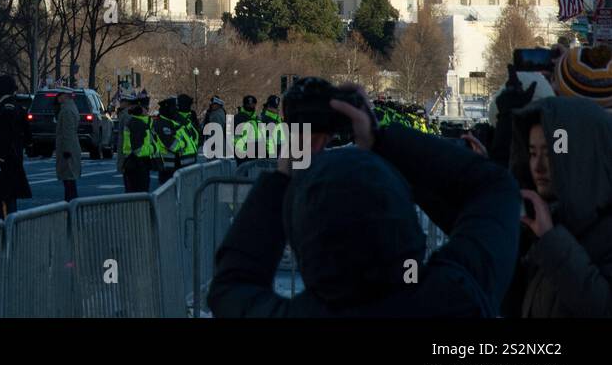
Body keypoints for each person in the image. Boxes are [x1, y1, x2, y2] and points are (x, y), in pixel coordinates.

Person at [208, 83, 520, 317]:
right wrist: (380, 139)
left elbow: (232, 284)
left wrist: (284, 174)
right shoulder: (456, 298)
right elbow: (495, 188)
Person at [506, 95, 612, 316]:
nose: (538, 166)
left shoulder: (598, 230)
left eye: (551, 154)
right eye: (533, 153)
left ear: (582, 156)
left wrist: (551, 241)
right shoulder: (548, 221)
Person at [0, 75, 31, 218]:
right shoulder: (13, 106)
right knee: (7, 199)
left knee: (4, 200)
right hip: (11, 158)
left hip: (4, 162)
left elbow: (4, 137)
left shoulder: (7, 109)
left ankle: (8, 235)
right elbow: (28, 137)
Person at [118, 92, 158, 194]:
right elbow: (138, 149)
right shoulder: (137, 122)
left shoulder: (137, 120)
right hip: (137, 162)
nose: (147, 110)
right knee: (138, 192)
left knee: (134, 192)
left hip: (134, 162)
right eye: (146, 108)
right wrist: (154, 149)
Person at [54, 88, 82, 200]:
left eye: (60, 95)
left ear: (65, 95)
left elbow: (68, 132)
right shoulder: (70, 108)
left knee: (69, 178)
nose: (58, 98)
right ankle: (71, 203)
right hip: (70, 147)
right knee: (69, 178)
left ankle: (71, 204)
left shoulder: (66, 111)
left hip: (68, 148)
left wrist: (66, 149)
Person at [233, 94, 259, 162]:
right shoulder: (238, 118)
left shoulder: (256, 118)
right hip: (243, 157)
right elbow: (236, 138)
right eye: (249, 104)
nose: (251, 106)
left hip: (255, 155)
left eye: (253, 104)